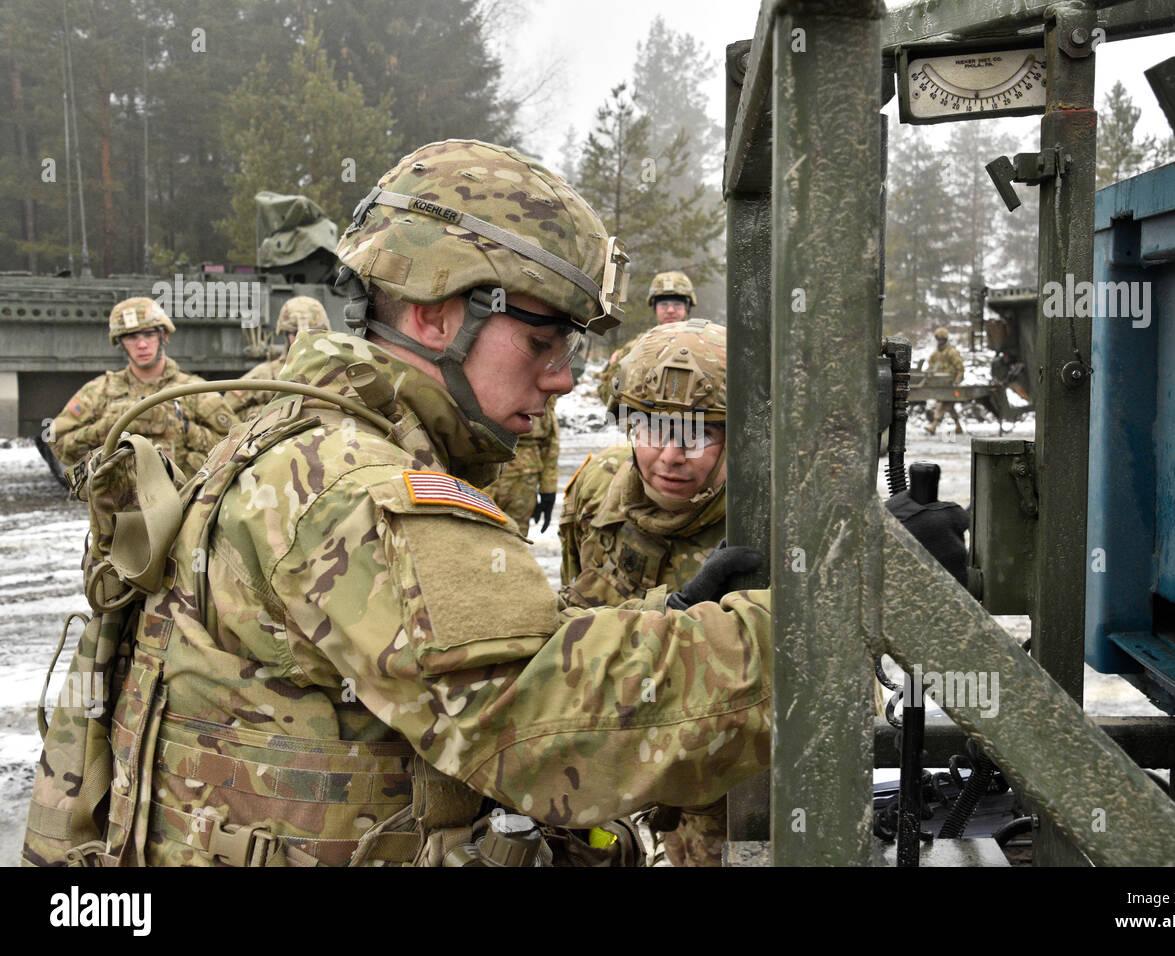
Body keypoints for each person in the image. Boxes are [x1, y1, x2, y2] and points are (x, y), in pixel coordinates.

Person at [72, 140, 769, 867]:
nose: (562, 380)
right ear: (438, 315)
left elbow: (485, 647)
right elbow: (549, 729)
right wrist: (792, 639)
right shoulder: (363, 491)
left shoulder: (302, 433)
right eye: (541, 342)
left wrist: (669, 621)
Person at [560, 318, 731, 867]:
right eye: (652, 429)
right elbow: (566, 622)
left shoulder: (774, 518)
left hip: (729, 785)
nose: (669, 456)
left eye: (698, 433)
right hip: (616, 769)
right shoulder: (594, 492)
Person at [48, 296, 236, 475]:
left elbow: (237, 444)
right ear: (120, 342)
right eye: (131, 337)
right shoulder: (99, 392)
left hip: (182, 502)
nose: (142, 344)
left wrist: (183, 428)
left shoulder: (194, 391)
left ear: (164, 336)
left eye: (149, 334)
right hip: (117, 505)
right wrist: (108, 428)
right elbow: (56, 441)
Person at [596, 270, 695, 406]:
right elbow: (606, 394)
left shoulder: (707, 344)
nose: (670, 310)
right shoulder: (634, 348)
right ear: (655, 308)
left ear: (687, 307)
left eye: (677, 304)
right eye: (664, 304)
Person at [226, 295, 332, 420]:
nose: (303, 340)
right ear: (286, 336)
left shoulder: (337, 370)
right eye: (294, 334)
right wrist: (267, 414)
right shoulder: (266, 374)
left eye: (312, 333)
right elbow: (227, 411)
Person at [484, 394, 559, 533]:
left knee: (514, 539)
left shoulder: (538, 389)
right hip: (483, 475)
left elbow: (549, 444)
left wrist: (548, 491)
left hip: (521, 482)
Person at [925, 327, 965, 435]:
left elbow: (960, 369)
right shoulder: (935, 354)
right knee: (949, 407)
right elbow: (931, 368)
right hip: (940, 384)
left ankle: (933, 426)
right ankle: (958, 427)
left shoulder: (952, 353)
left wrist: (956, 382)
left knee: (942, 404)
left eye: (941, 339)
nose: (939, 342)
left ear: (945, 340)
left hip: (950, 384)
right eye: (938, 339)